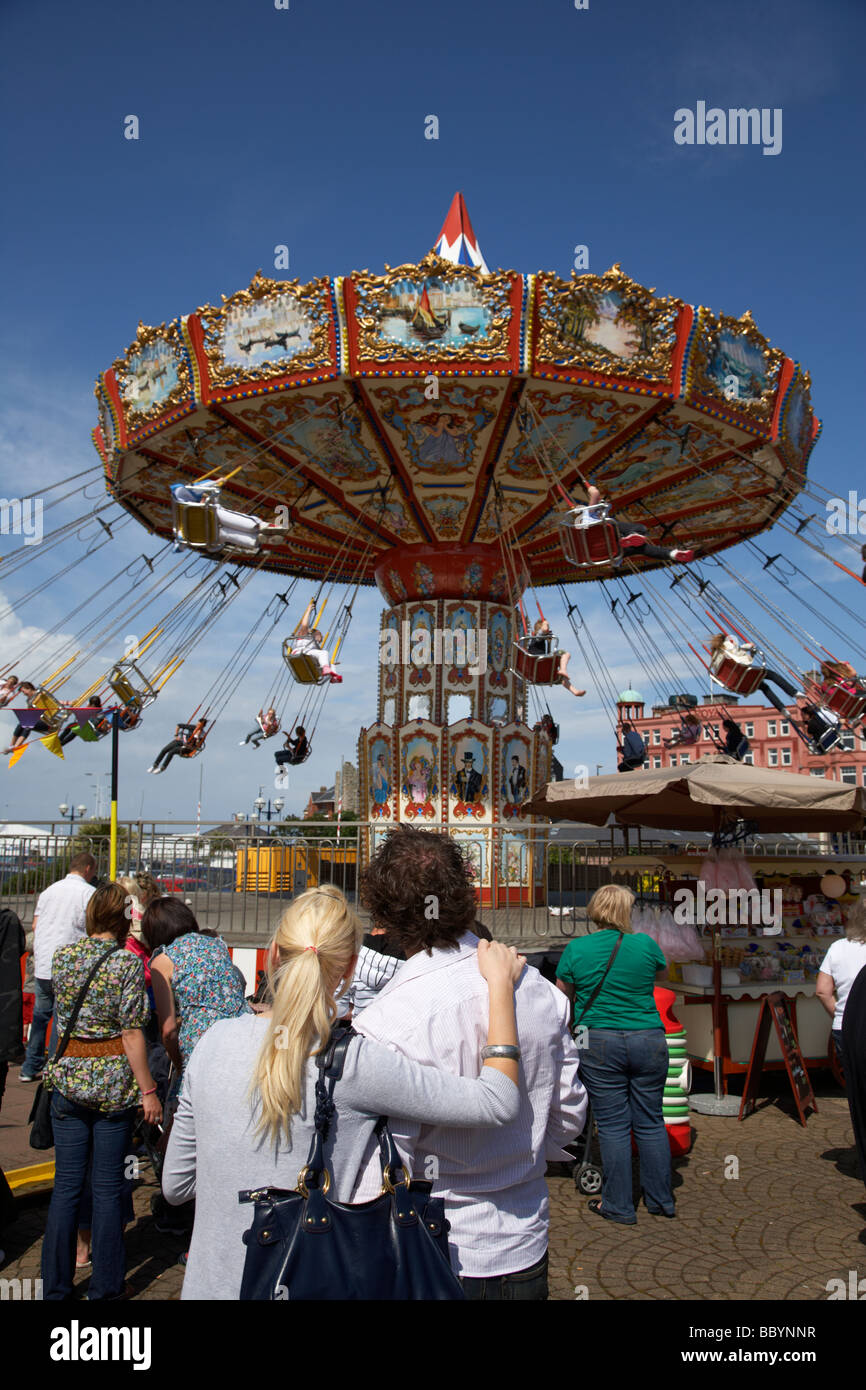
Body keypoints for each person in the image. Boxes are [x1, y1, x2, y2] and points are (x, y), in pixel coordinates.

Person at [160, 884, 524, 1300]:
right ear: (350, 969)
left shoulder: (212, 1041)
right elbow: (496, 1100)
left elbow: (176, 1185)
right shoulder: (354, 1063)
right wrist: (499, 986)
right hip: (309, 1281)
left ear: (274, 954)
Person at [353, 827, 587, 1299]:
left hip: (433, 1244)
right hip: (523, 1238)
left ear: (382, 911)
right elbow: (566, 1120)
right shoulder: (540, 992)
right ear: (466, 891)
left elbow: (385, 1161)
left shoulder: (384, 1022)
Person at [40, 882, 162, 1301]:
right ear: (125, 916)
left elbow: (61, 1015)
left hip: (69, 1079)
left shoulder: (64, 957)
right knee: (108, 1189)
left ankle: (54, 1288)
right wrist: (148, 1089)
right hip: (112, 1085)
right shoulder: (126, 964)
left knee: (66, 1187)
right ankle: (106, 1288)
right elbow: (131, 1032)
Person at [556, 883, 674, 1225]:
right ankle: (660, 1199)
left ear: (595, 910)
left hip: (597, 1039)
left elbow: (564, 993)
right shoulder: (646, 945)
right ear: (627, 911)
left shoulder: (577, 948)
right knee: (651, 1120)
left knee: (612, 1124)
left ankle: (619, 1205)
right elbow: (661, 977)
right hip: (648, 1036)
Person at [142, 898, 251, 1085]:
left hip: (202, 1049)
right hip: (243, 1039)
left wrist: (179, 1067)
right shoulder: (217, 945)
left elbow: (168, 1031)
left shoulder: (163, 961)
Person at [20, 852, 97, 1082]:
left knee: (40, 1015)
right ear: (88, 869)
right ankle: (53, 1066)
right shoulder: (88, 893)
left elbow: (35, 923)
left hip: (44, 960)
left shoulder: (49, 891)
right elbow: (92, 926)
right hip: (69, 964)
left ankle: (30, 1065)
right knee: (61, 1018)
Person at [816, 897, 866, 1081]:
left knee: (855, 1085)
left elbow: (823, 990)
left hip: (845, 1027)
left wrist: (843, 1015)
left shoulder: (837, 947)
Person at [581, 485, 694, 563]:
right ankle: (635, 534)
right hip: (613, 549)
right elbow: (595, 493)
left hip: (606, 554)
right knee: (639, 528)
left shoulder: (584, 526)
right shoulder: (589, 516)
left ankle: (672, 554)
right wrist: (590, 488)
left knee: (640, 547)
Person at [171, 479, 285, 554]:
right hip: (211, 517)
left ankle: (256, 539)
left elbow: (215, 548)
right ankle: (261, 526)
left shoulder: (182, 530)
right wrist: (216, 482)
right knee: (225, 515)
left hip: (211, 536)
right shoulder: (185, 497)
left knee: (227, 534)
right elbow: (203, 487)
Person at [708, 633, 802, 714]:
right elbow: (739, 655)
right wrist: (749, 648)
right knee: (771, 675)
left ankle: (782, 709)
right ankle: (793, 692)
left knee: (764, 687)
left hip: (737, 683)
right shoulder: (728, 645)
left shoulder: (715, 658)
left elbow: (718, 677)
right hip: (745, 673)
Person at [524, 618, 586, 698]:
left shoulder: (535, 642)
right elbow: (543, 631)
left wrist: (548, 640)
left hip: (538, 672)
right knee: (565, 654)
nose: (548, 629)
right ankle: (563, 669)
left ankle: (575, 691)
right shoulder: (537, 638)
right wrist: (545, 623)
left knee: (562, 677)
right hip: (540, 667)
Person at [289, 597, 342, 683]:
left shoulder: (314, 647)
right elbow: (304, 625)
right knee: (324, 653)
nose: (320, 638)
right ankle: (326, 669)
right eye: (319, 635)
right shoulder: (304, 635)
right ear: (313, 634)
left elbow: (317, 654)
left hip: (308, 655)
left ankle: (332, 677)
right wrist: (308, 610)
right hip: (300, 652)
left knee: (330, 663)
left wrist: (328, 663)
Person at [2, 682, 53, 754]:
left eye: (24, 691)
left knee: (28, 725)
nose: (24, 694)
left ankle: (16, 746)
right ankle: (12, 745)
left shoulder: (40, 695)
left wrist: (67, 703)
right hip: (36, 722)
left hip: (46, 723)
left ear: (29, 688)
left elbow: (53, 702)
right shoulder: (29, 701)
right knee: (22, 724)